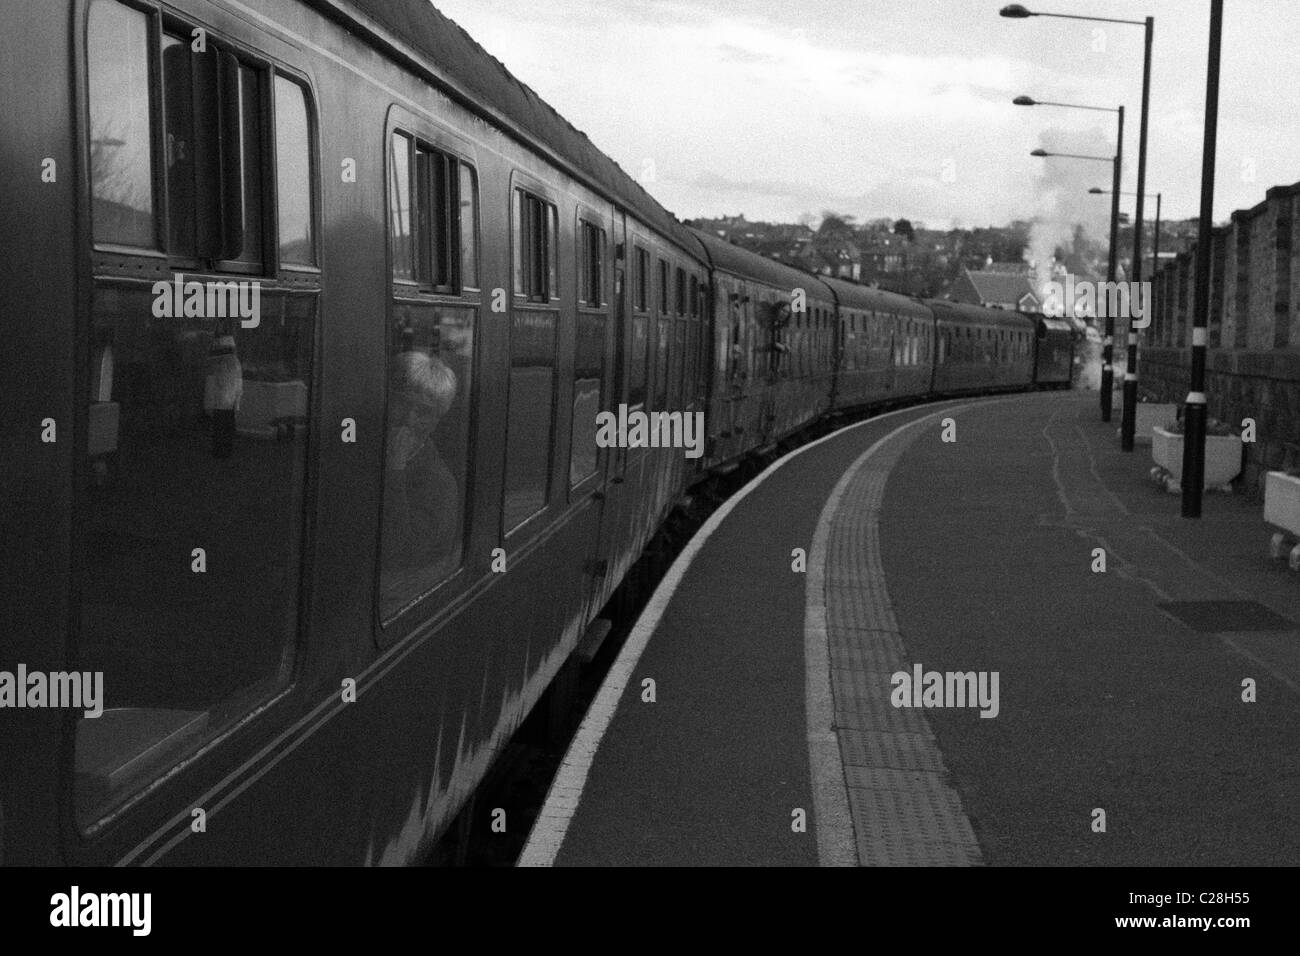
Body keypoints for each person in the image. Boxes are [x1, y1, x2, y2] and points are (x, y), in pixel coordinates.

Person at [381, 350, 459, 586]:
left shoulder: (439, 485)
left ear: (437, 420)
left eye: (424, 411)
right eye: (403, 403)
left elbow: (397, 550)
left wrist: (395, 468)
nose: (409, 418)